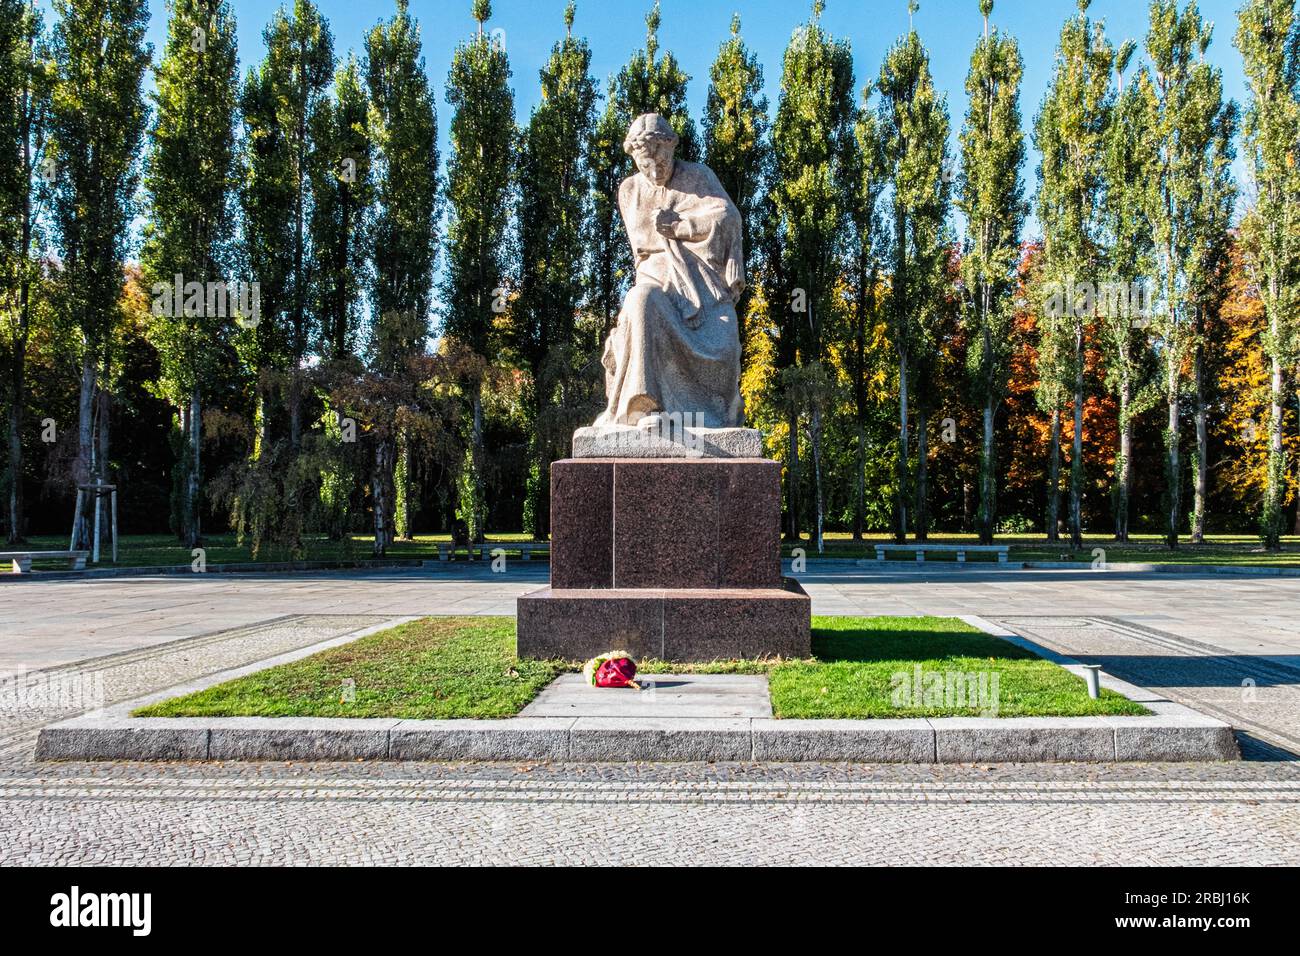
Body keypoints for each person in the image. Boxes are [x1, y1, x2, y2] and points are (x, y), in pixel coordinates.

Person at [595, 113, 746, 430]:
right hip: (656, 285)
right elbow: (643, 251)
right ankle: (645, 407)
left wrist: (683, 226)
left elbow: (728, 218)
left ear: (672, 148)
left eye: (660, 162)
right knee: (641, 300)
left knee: (726, 340)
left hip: (702, 290)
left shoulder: (698, 178)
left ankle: (707, 416)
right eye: (644, 164)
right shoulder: (629, 191)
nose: (654, 171)